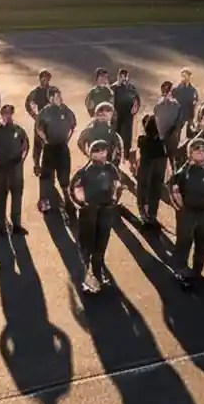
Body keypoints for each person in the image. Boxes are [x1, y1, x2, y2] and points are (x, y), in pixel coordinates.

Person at [70, 139, 122, 293]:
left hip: (106, 210)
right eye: (97, 151)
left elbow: (117, 185)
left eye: (103, 151)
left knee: (102, 242)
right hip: (89, 213)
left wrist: (114, 200)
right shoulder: (84, 172)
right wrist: (82, 203)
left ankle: (98, 274)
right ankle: (87, 277)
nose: (101, 154)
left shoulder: (111, 169)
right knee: (87, 245)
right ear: (91, 154)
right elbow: (75, 190)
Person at [168, 139, 204, 290]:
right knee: (184, 243)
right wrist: (182, 210)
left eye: (203, 150)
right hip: (188, 214)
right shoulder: (183, 173)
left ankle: (197, 271)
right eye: (196, 149)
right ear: (190, 153)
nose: (200, 152)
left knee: (202, 244)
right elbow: (173, 191)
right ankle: (180, 271)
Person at [35, 87, 78, 218]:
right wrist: (45, 139)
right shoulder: (45, 112)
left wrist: (67, 139)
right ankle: (45, 202)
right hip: (50, 147)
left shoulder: (66, 110)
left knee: (64, 176)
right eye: (57, 96)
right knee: (47, 176)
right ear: (51, 98)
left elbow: (73, 124)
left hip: (62, 147)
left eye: (60, 95)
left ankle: (68, 203)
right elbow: (39, 128)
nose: (60, 98)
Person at [0, 105, 30, 236]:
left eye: (9, 113)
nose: (7, 116)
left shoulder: (19, 130)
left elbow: (25, 145)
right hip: (1, 168)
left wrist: (21, 160)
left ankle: (16, 225)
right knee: (1, 198)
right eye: (5, 114)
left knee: (17, 197)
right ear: (2, 115)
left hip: (16, 168)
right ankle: (2, 226)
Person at [135, 113, 169, 230]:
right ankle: (151, 216)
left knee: (144, 192)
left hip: (147, 166)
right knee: (154, 192)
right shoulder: (161, 141)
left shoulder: (142, 140)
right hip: (157, 166)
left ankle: (146, 216)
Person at [26, 70, 59, 178]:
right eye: (43, 78)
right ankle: (36, 164)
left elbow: (60, 102)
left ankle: (49, 166)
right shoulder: (36, 92)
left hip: (51, 122)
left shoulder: (54, 90)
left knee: (50, 145)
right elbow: (28, 103)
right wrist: (33, 114)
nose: (44, 80)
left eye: (46, 78)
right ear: (40, 79)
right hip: (40, 121)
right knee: (37, 145)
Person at [110, 68, 141, 170]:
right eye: (121, 76)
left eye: (125, 76)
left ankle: (126, 154)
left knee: (127, 135)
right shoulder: (113, 88)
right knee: (116, 134)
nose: (123, 79)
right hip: (116, 115)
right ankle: (116, 155)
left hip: (128, 115)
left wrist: (135, 107)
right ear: (118, 76)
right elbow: (109, 100)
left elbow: (137, 100)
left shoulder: (131, 88)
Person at [153, 80, 183, 170]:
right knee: (165, 161)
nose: (166, 94)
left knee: (169, 160)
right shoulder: (159, 106)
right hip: (165, 138)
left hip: (169, 138)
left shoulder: (175, 106)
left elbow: (179, 123)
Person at [172, 67, 200, 144]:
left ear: (189, 77)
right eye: (182, 76)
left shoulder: (193, 90)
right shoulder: (176, 90)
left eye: (185, 76)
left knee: (191, 135)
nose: (183, 78)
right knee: (176, 135)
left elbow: (195, 101)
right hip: (178, 116)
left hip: (189, 116)